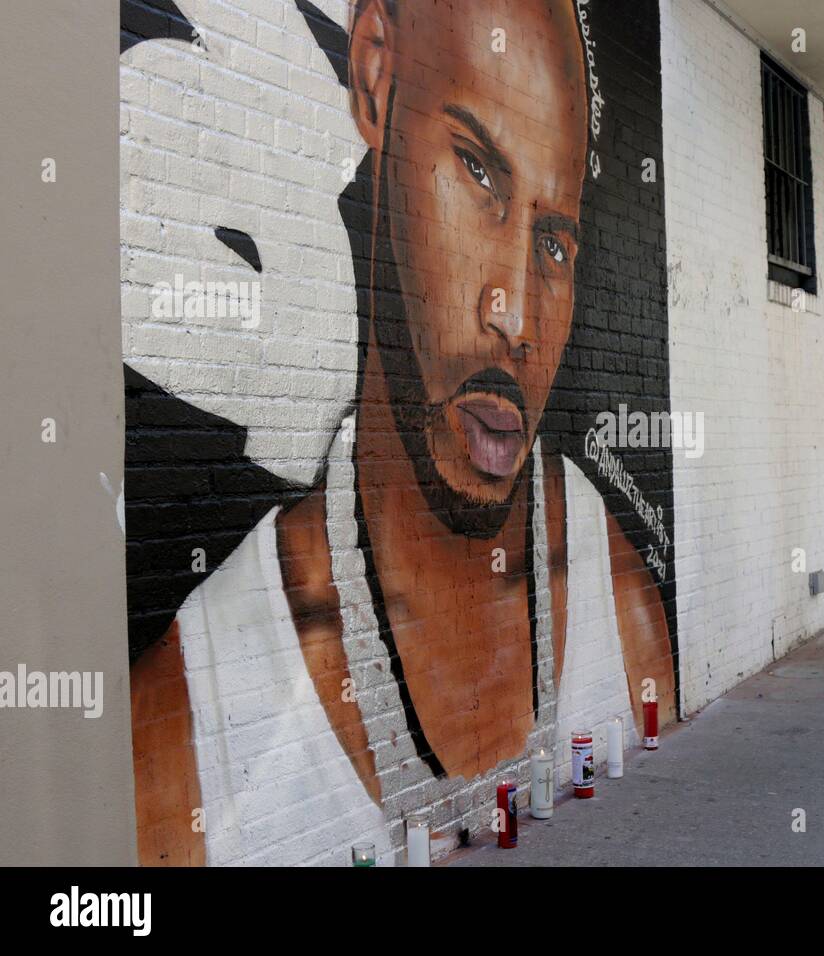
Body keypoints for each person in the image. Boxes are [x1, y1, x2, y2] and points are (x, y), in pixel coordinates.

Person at [129, 0, 677, 866]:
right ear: (376, 74)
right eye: (479, 171)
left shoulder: (614, 600)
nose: (515, 315)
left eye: (556, 244)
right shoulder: (192, 733)